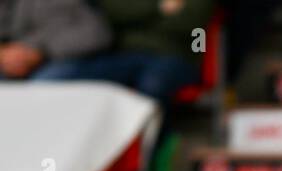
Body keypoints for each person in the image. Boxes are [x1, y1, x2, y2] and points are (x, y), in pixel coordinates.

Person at [30, 0, 212, 104]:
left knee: (153, 85)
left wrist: (136, 15)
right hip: (119, 56)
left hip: (175, 57)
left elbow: (192, 23)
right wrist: (158, 7)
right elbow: (110, 11)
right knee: (52, 77)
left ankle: (144, 156)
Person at [0, 0, 109, 80]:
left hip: (69, 57)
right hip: (14, 61)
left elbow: (96, 34)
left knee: (45, 83)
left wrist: (38, 51)